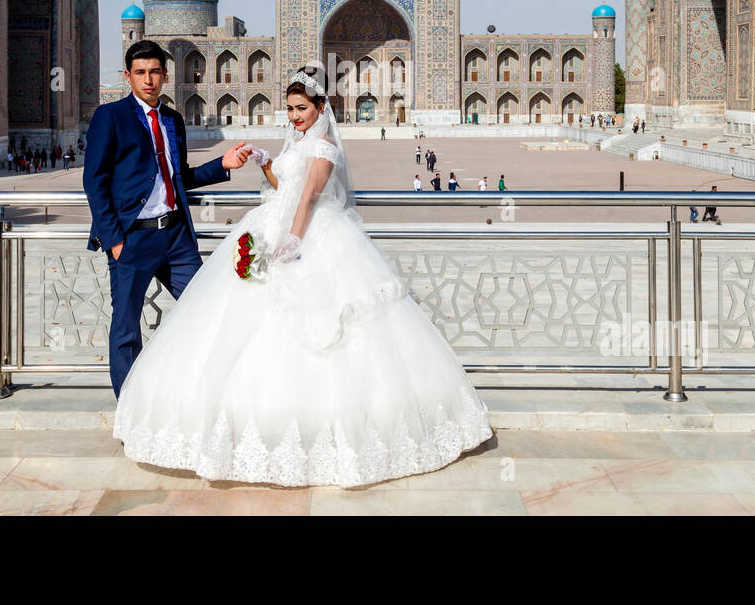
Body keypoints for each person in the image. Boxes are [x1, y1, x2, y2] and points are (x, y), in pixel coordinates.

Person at [112, 65, 492, 487]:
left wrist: (292, 242)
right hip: (274, 222)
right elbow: (283, 184)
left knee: (322, 332)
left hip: (311, 237)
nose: (294, 116)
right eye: (290, 109)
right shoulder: (298, 142)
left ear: (320, 107)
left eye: (301, 108)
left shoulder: (325, 146)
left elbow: (308, 199)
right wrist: (264, 163)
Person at [83, 40, 252, 398]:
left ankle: (203, 394)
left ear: (165, 75)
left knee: (205, 309)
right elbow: (94, 181)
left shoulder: (173, 120)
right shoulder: (110, 117)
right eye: (140, 73)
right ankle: (131, 408)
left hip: (175, 237)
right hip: (132, 239)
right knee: (127, 328)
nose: (149, 80)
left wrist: (221, 165)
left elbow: (179, 177)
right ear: (127, 76)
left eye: (155, 72)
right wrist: (114, 239)